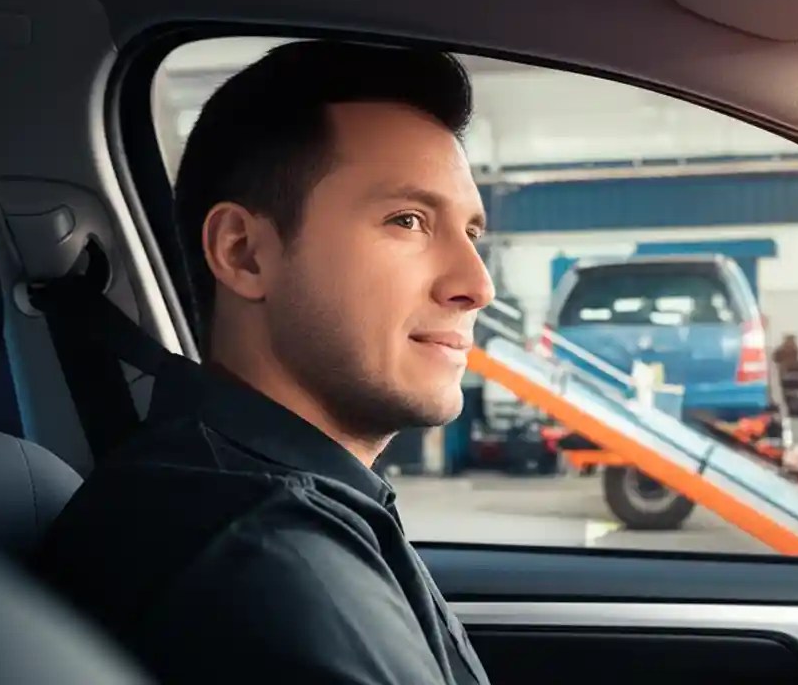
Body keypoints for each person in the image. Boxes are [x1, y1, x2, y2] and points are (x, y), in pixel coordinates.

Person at [36, 41, 495, 684]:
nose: (476, 284)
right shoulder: (269, 554)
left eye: (472, 234)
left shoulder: (280, 502)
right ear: (245, 253)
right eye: (408, 220)